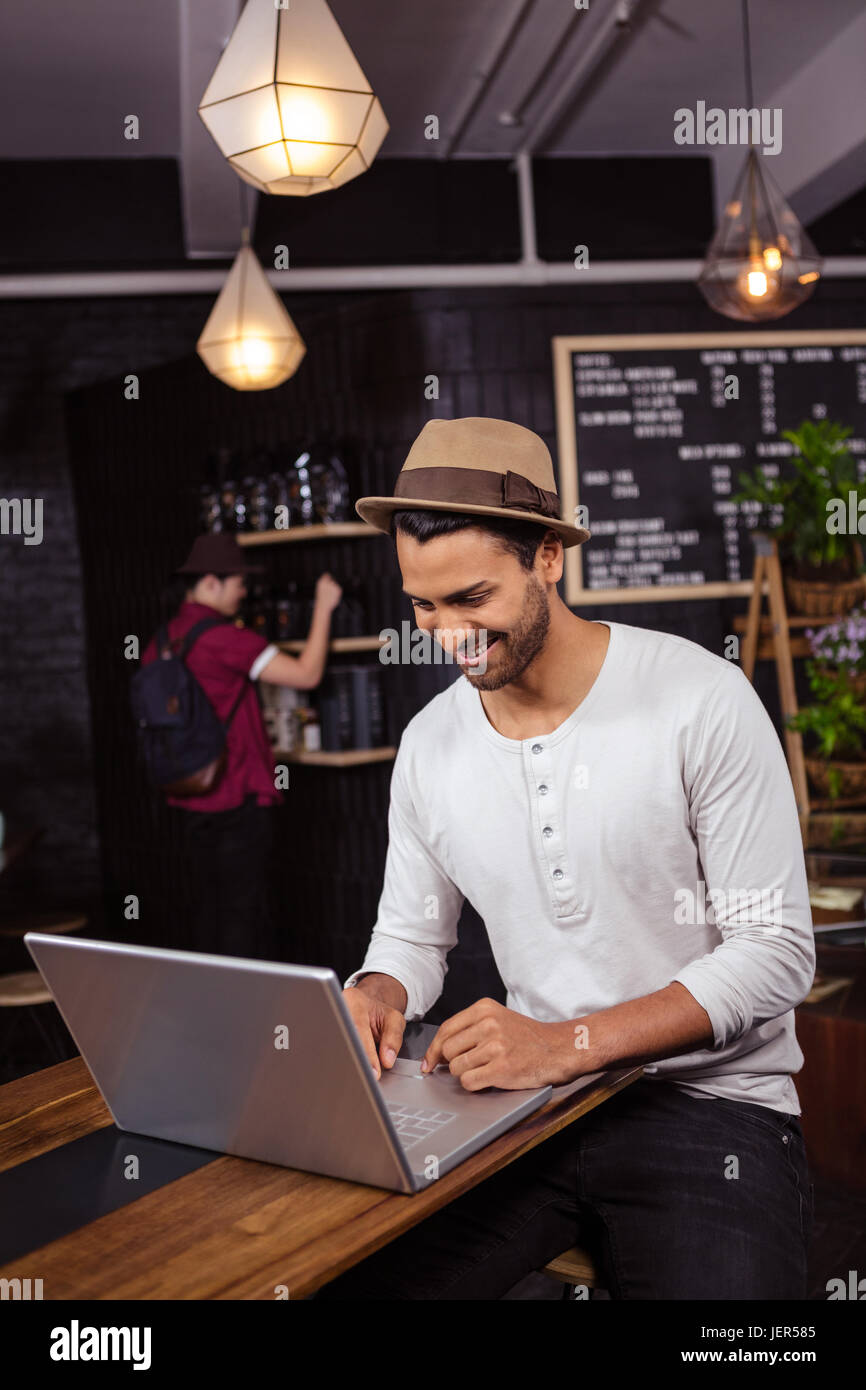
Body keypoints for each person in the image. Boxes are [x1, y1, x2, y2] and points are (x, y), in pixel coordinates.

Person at [319, 416, 815, 1301]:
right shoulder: (430, 743)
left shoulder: (700, 698)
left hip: (714, 1111)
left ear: (548, 554)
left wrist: (565, 1044)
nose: (448, 635)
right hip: (524, 1112)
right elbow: (409, 938)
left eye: (473, 599)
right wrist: (377, 993)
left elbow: (775, 955)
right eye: (423, 606)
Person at [141, 533, 341, 959]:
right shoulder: (225, 638)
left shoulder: (161, 641)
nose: (244, 592)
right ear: (211, 582)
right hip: (237, 798)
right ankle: (252, 1019)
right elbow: (306, 674)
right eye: (239, 583)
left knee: (209, 911)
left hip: (187, 795)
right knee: (244, 917)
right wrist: (323, 605)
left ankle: (213, 1012)